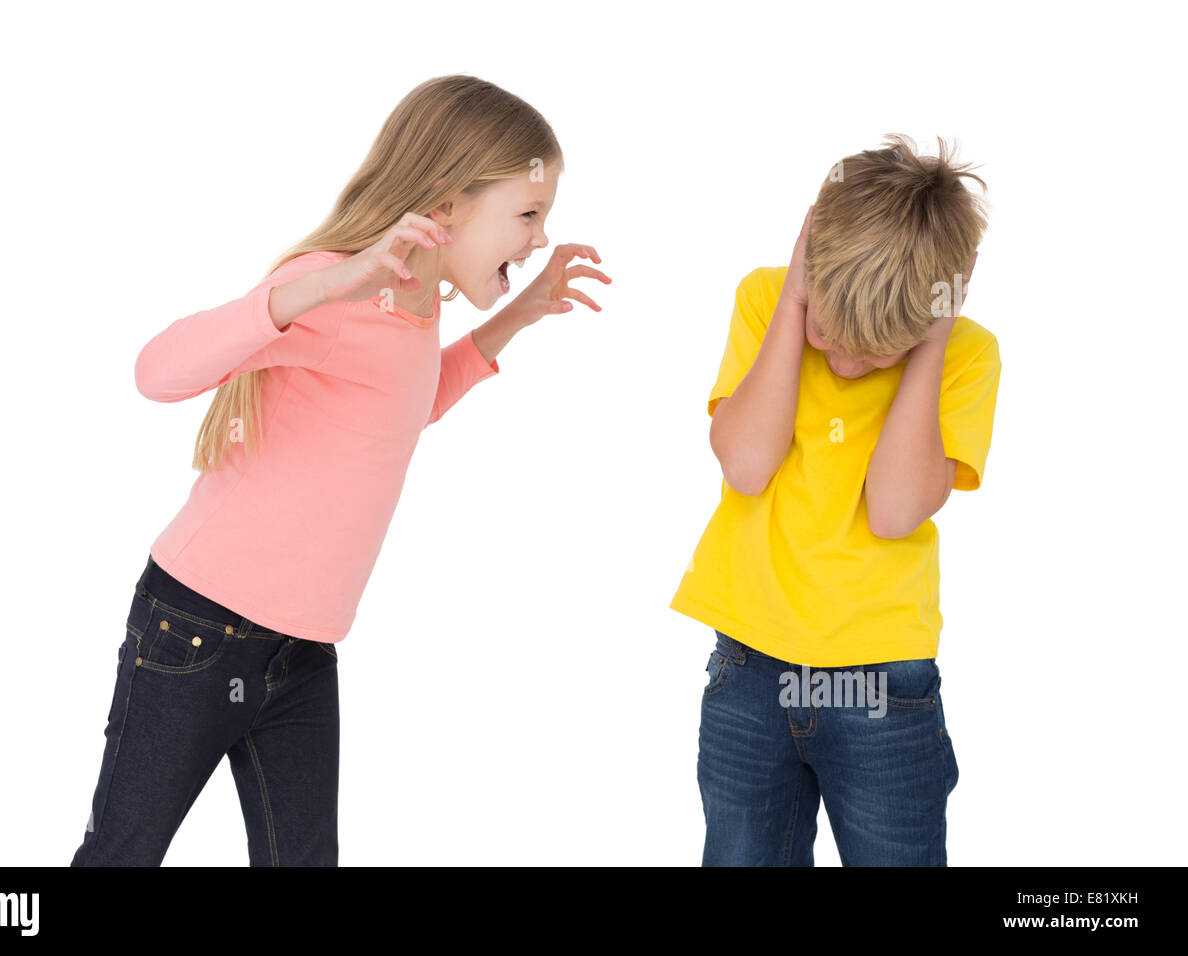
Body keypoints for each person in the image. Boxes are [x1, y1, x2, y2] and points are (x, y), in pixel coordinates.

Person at [71, 74, 610, 866]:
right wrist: (324, 284)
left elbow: (405, 405)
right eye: (527, 215)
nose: (537, 240)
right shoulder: (340, 286)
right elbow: (157, 373)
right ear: (448, 205)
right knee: (124, 852)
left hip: (301, 653)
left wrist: (519, 317)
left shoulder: (417, 305)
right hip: (195, 630)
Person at [670, 135, 1000, 865]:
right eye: (829, 331)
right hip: (749, 669)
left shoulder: (967, 355)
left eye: (879, 351)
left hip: (884, 687)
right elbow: (747, 466)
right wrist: (796, 301)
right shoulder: (767, 299)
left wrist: (935, 333)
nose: (846, 362)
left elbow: (892, 511)